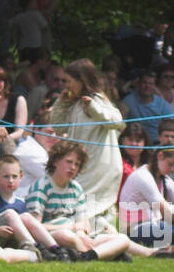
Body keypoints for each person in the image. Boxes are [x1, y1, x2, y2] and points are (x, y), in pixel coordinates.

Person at [25, 139, 135, 262]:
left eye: (77, 164)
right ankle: (107, 254)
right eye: (69, 162)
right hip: (54, 236)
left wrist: (81, 234)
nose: (73, 167)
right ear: (55, 161)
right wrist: (67, 227)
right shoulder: (41, 187)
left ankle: (88, 255)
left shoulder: (76, 188)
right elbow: (34, 227)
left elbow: (82, 221)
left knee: (123, 239)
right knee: (65, 235)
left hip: (78, 236)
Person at [49, 57, 125, 233]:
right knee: (85, 210)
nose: (66, 86)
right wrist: (61, 103)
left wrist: (92, 108)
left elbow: (117, 121)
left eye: (69, 81)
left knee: (92, 207)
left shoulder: (97, 99)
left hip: (100, 166)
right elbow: (57, 126)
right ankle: (108, 240)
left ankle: (100, 240)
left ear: (81, 80)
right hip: (83, 164)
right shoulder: (75, 103)